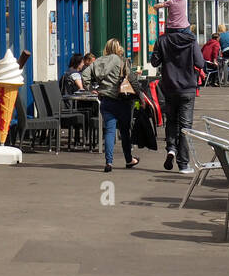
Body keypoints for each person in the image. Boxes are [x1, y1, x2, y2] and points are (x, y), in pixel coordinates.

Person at [150, 12, 205, 173]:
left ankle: (171, 149)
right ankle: (183, 164)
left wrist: (160, 50)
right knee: (186, 126)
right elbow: (200, 62)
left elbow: (154, 62)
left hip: (169, 87)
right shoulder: (191, 40)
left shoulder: (162, 40)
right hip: (187, 88)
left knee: (171, 122)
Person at [85, 39, 143, 173]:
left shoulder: (99, 61)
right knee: (124, 132)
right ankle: (129, 159)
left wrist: (90, 88)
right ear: (118, 48)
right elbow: (133, 80)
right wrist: (140, 96)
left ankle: (109, 162)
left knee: (110, 132)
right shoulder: (122, 61)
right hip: (122, 101)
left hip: (106, 101)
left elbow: (85, 74)